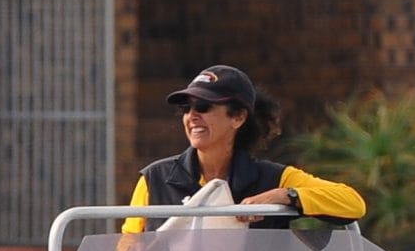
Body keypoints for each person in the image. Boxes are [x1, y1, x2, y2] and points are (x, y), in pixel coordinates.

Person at [122, 65, 365, 235]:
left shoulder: (275, 178)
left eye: (204, 106)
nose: (192, 116)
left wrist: (284, 196)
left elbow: (352, 202)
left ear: (238, 117)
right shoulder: (154, 178)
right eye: (187, 108)